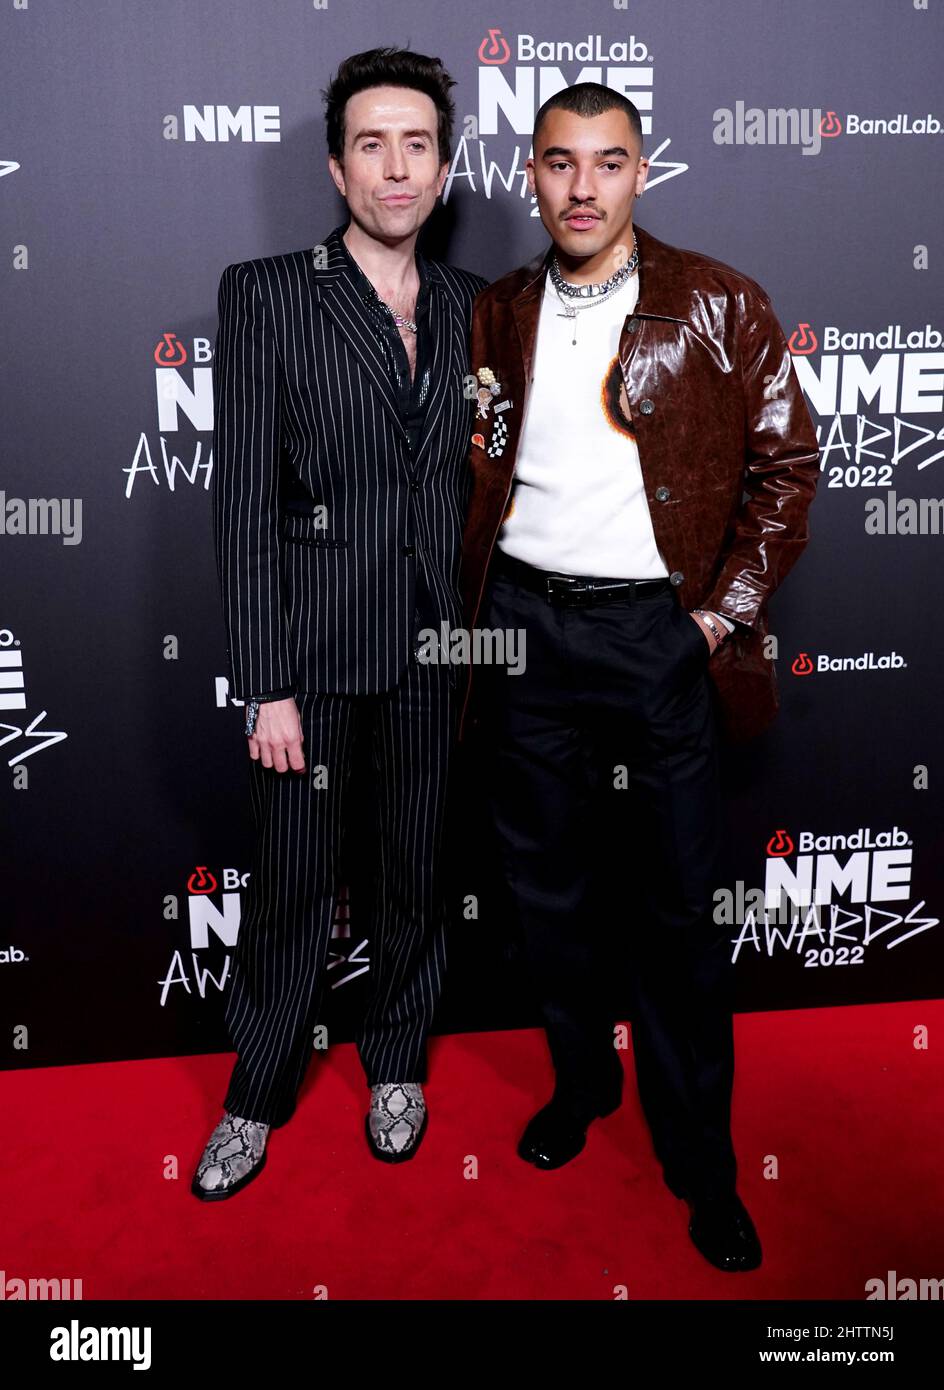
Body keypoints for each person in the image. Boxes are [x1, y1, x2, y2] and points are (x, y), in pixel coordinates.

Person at [459, 83, 820, 1270]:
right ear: (529, 174)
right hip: (519, 629)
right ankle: (580, 1088)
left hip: (653, 640)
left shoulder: (719, 301)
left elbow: (786, 468)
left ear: (641, 173)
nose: (580, 188)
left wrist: (714, 621)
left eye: (605, 164)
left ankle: (701, 1164)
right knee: (548, 897)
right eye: (558, 164)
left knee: (672, 915)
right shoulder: (499, 308)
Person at [192, 47, 487, 1200]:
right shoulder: (266, 291)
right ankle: (257, 1089)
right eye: (372, 143)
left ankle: (397, 1063)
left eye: (415, 142)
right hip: (310, 659)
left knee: (415, 872)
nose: (395, 165)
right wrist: (263, 683)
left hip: (439, 653)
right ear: (335, 165)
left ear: (445, 166)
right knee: (292, 885)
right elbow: (243, 507)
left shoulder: (475, 308)